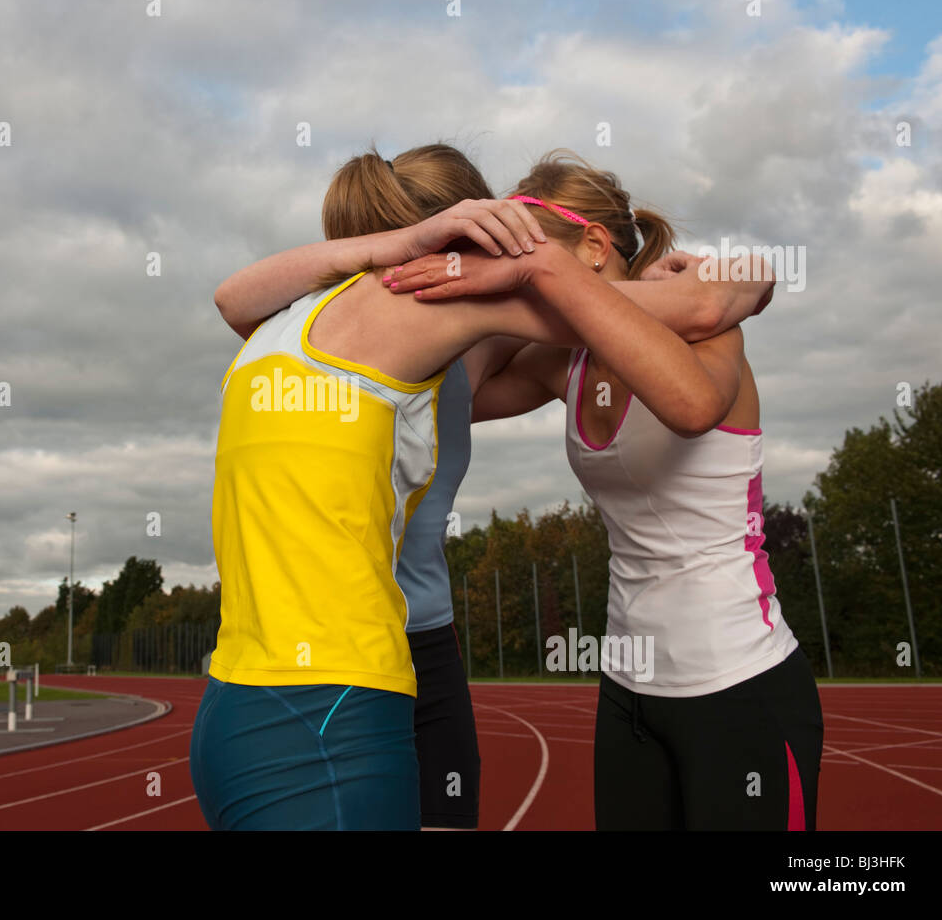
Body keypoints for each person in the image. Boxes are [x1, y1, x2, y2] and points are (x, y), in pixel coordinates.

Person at [195, 144, 774, 830]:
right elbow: (693, 311)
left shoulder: (283, 328)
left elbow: (231, 295)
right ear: (466, 235)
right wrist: (751, 273)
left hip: (270, 681)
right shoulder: (435, 308)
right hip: (335, 682)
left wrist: (398, 246)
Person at [389, 150, 824, 830]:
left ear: (592, 246)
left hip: (738, 678)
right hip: (627, 687)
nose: (515, 273)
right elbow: (455, 390)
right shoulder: (562, 362)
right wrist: (480, 284)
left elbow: (690, 404)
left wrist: (536, 281)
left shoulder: (710, 327)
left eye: (527, 254)